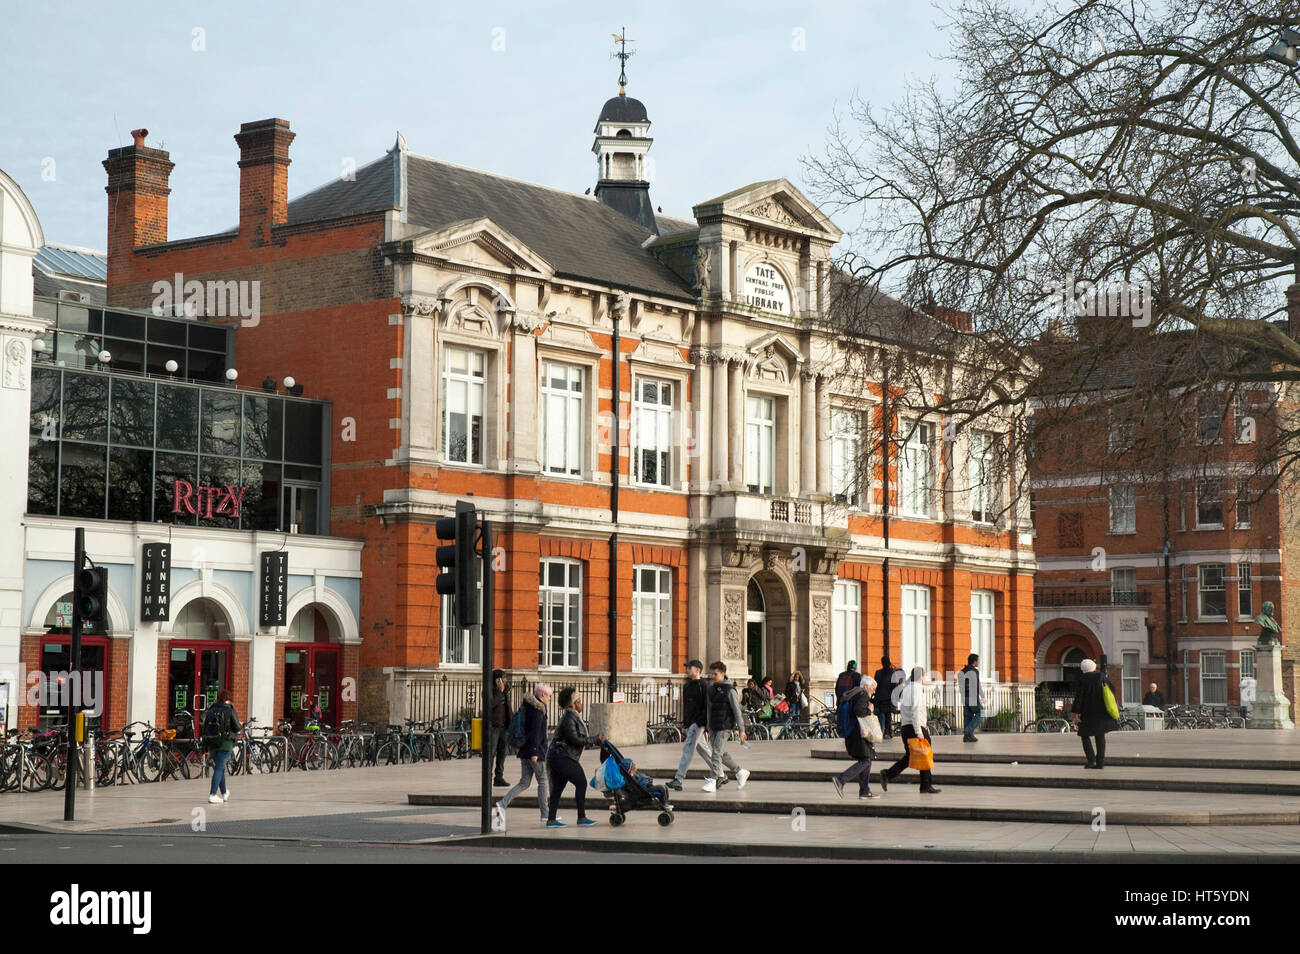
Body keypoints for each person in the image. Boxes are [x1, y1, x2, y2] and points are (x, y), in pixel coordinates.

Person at [545, 687, 601, 827]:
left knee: (558, 787)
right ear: (573, 703)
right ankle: (581, 818)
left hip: (558, 756)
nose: (581, 704)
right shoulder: (569, 718)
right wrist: (594, 739)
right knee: (581, 782)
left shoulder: (572, 717)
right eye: (579, 701)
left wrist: (592, 741)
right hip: (562, 756)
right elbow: (574, 739)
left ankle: (551, 820)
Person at [497, 682, 552, 824]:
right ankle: (545, 813)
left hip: (525, 750)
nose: (549, 698)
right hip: (535, 751)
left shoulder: (527, 706)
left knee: (524, 782)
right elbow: (535, 733)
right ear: (542, 695)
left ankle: (503, 803)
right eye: (549, 696)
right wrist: (535, 752)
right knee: (543, 780)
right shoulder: (538, 710)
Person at [880, 667, 940, 794]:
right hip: (915, 727)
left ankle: (888, 774)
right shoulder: (916, 689)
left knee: (910, 756)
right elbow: (915, 711)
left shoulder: (907, 688)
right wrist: (919, 731)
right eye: (924, 676)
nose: (924, 678)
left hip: (906, 727)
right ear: (921, 676)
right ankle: (925, 785)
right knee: (925, 754)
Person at [669, 659, 721, 792]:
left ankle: (678, 778)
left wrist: (700, 722)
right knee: (703, 750)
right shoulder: (687, 686)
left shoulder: (704, 686)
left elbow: (707, 707)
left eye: (689, 667)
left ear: (697, 670)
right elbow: (686, 707)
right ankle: (721, 774)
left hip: (698, 724)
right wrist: (685, 723)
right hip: (690, 723)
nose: (687, 670)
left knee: (688, 749)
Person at [702, 661, 750, 792]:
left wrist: (742, 730)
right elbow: (709, 709)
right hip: (714, 726)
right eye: (712, 674)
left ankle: (713, 780)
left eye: (716, 674)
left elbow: (737, 711)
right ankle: (740, 772)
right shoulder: (711, 689)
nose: (713, 676)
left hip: (725, 726)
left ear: (723, 674)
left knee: (716, 752)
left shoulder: (730, 690)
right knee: (720, 753)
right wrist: (708, 726)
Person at [831, 674, 879, 799]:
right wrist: (870, 710)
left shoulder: (853, 693)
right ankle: (841, 779)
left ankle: (864, 791)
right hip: (858, 733)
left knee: (866, 759)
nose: (874, 692)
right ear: (866, 686)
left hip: (852, 732)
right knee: (866, 760)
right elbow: (859, 711)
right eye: (873, 688)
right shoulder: (862, 694)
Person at [1071, 658, 1118, 769]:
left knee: (1084, 735)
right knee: (1100, 735)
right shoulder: (1102, 677)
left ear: (1083, 669)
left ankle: (1091, 760)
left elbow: (1079, 697)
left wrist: (1076, 713)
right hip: (1101, 711)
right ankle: (1100, 762)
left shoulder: (1082, 680)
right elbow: (1112, 690)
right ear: (1093, 667)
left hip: (1087, 712)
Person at [202, 690, 242, 805]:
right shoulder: (229, 710)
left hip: (212, 742)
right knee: (219, 768)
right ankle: (213, 794)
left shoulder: (211, 710)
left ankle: (224, 792)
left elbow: (204, 726)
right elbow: (237, 727)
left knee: (220, 768)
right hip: (225, 743)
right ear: (228, 699)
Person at [489, 669, 512, 786]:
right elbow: (490, 704)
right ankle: (487, 777)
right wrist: (499, 692)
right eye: (503, 678)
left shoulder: (505, 691)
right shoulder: (490, 691)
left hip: (504, 726)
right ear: (497, 680)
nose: (505, 680)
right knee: (491, 753)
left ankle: (499, 777)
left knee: (502, 753)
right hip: (494, 727)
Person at [872, 657, 900, 739]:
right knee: (888, 715)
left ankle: (884, 731)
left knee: (882, 716)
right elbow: (895, 686)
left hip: (880, 698)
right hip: (889, 698)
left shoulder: (878, 673)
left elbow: (875, 685)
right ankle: (888, 732)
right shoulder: (893, 673)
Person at [959, 653, 982, 743]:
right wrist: (982, 695)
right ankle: (968, 730)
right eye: (978, 661)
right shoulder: (974, 671)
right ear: (974, 661)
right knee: (981, 713)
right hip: (972, 695)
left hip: (964, 696)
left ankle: (967, 737)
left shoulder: (962, 671)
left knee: (968, 716)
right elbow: (977, 685)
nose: (978, 662)